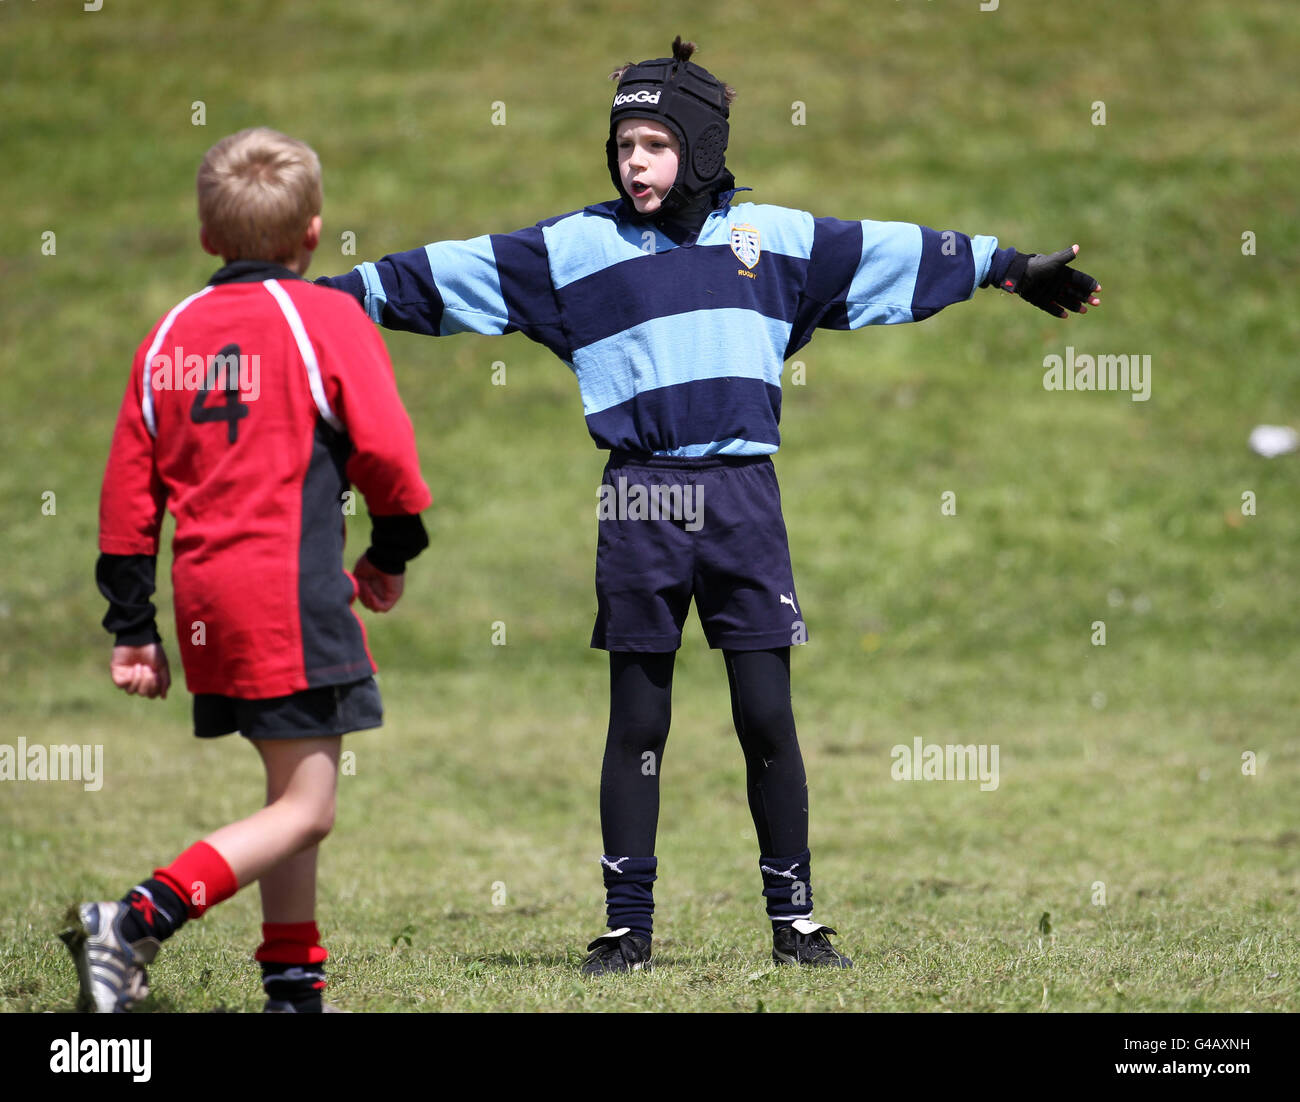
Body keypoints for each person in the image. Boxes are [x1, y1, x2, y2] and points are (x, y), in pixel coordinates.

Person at [316, 37, 1101, 974]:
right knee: (637, 724)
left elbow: (893, 251)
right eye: (622, 146)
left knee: (766, 716)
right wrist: (315, 303)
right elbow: (441, 276)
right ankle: (626, 930)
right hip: (640, 499)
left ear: (701, 144)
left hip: (742, 498)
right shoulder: (573, 251)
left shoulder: (774, 242)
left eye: (653, 143)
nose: (634, 162)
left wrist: (1009, 268)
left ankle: (796, 923)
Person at [64, 127, 432, 1012]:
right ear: (312, 232)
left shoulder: (170, 333)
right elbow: (385, 452)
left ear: (205, 235)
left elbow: (127, 494)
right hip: (289, 592)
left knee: (285, 787)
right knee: (309, 808)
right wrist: (392, 550)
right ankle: (133, 922)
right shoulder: (328, 317)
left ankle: (293, 987)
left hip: (205, 596)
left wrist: (132, 627)